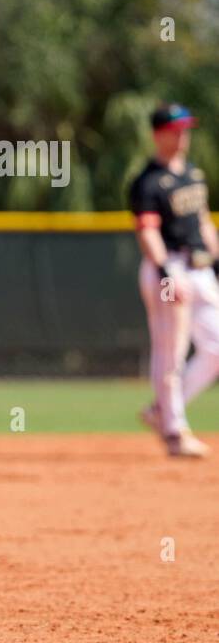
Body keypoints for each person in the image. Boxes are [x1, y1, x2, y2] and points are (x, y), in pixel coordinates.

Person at [128, 103, 219, 457]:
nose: (182, 136)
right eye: (174, 129)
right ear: (157, 134)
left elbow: (204, 223)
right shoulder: (147, 182)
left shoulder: (193, 174)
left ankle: (161, 410)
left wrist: (217, 261)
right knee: (171, 351)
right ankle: (174, 431)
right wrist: (166, 272)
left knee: (216, 349)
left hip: (199, 268)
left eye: (186, 128)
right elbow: (147, 232)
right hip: (168, 269)